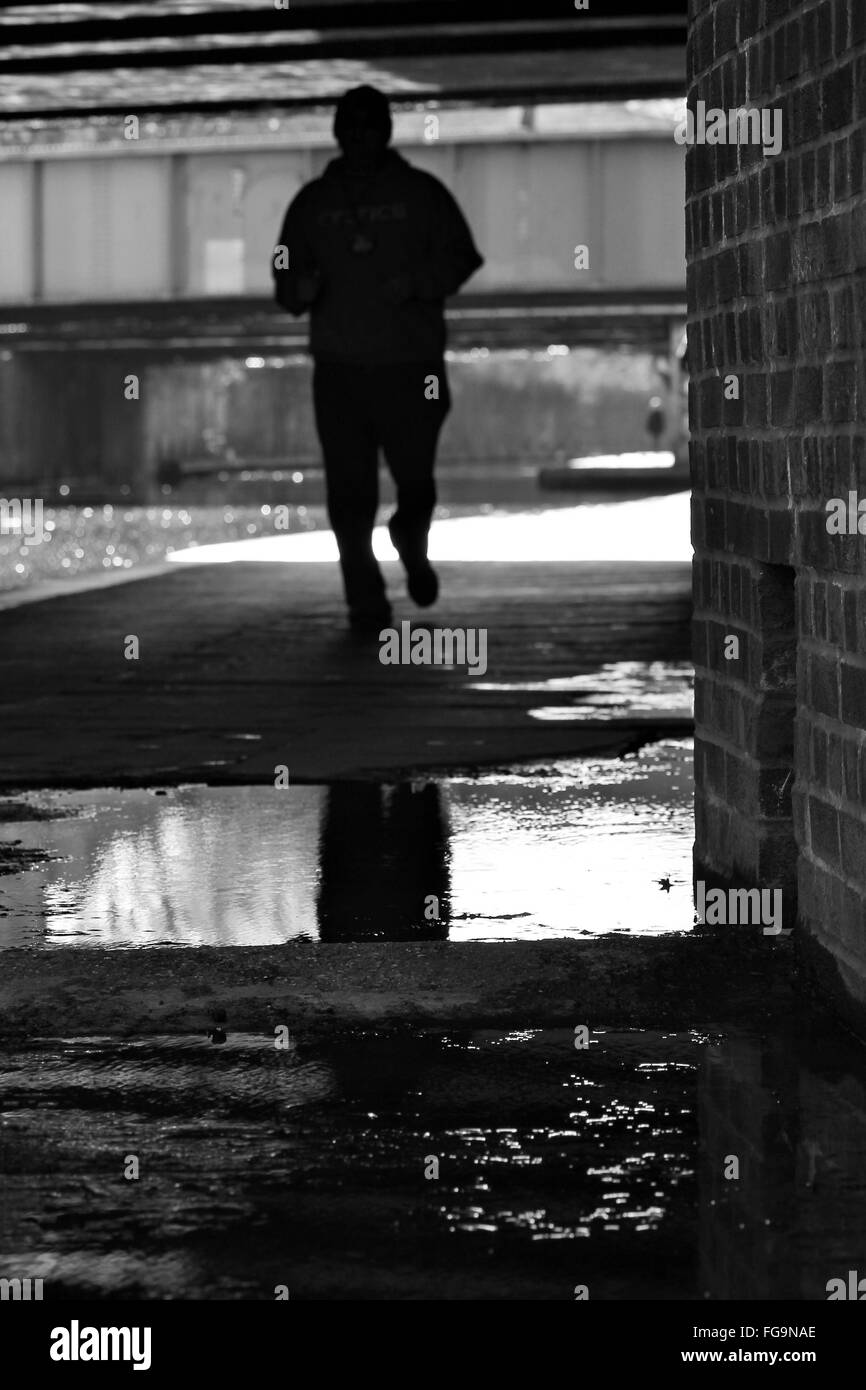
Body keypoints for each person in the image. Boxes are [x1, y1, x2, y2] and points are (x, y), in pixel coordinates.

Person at [273, 85, 484, 632]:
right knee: (348, 493)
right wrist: (300, 286)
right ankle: (364, 599)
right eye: (352, 126)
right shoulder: (311, 204)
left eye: (371, 125)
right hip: (339, 371)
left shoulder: (422, 194)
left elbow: (463, 256)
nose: (361, 136)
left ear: (387, 130)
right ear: (338, 133)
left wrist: (417, 282)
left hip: (413, 369)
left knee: (416, 482)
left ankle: (410, 540)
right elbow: (282, 271)